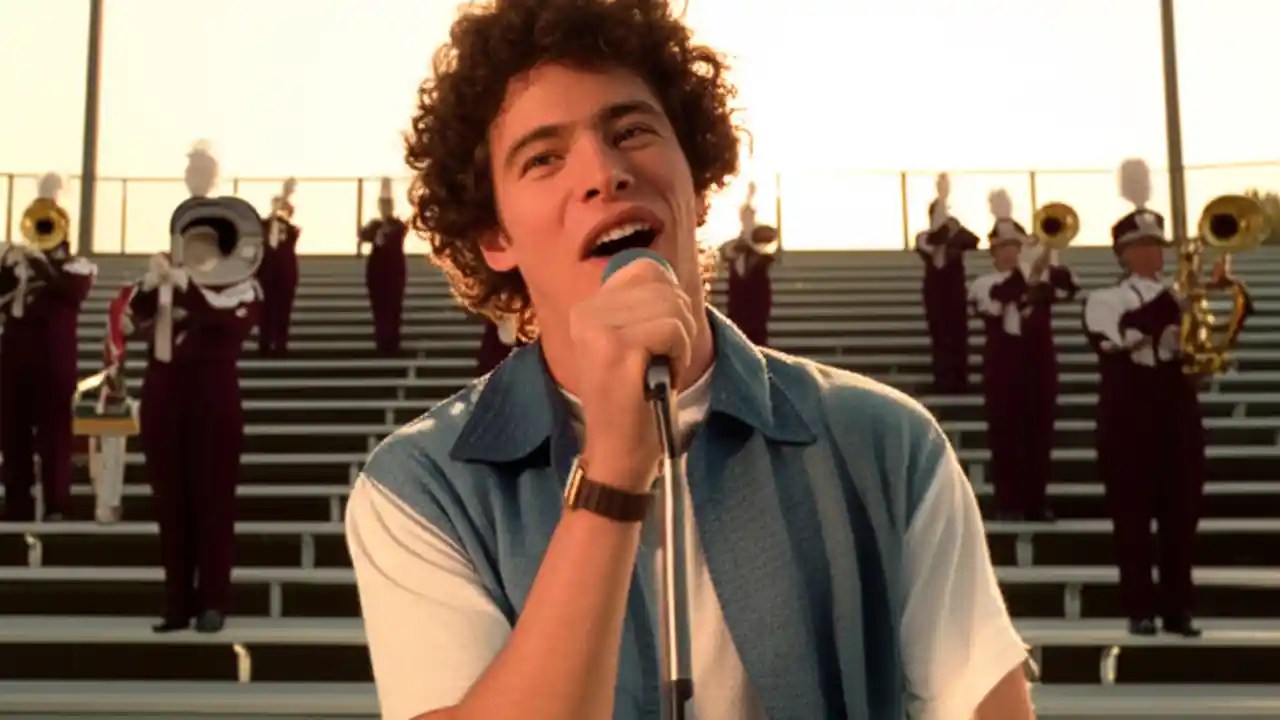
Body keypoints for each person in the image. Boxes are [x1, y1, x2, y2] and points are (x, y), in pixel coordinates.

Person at [344, 1, 1034, 718]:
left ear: (696, 178)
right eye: (544, 157)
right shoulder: (418, 486)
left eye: (632, 130)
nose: (605, 174)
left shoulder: (888, 443)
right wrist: (611, 473)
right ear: (495, 236)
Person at [1082, 158, 1243, 638]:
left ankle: (1179, 607)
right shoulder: (1106, 299)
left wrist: (1224, 307)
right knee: (1131, 517)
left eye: (1158, 245)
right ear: (1123, 254)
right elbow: (1119, 340)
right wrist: (1174, 301)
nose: (1155, 254)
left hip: (1176, 408)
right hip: (1128, 411)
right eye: (1143, 246)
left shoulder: (1180, 298)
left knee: (1181, 514)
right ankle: (1140, 609)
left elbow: (1200, 345)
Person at [125, 142, 263, 633]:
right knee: (171, 502)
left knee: (211, 500)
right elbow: (135, 322)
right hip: (163, 394)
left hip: (213, 398)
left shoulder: (241, 288)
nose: (194, 252)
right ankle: (177, 601)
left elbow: (227, 326)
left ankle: (214, 602)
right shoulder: (168, 282)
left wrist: (186, 287)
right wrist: (150, 286)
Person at [969, 190, 1078, 522]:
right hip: (1003, 368)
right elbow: (994, 302)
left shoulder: (1041, 276)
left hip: (1039, 365)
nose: (1011, 252)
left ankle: (1036, 502)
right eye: (1004, 246)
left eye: (1016, 245)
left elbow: (1068, 290)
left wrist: (1050, 257)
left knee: (1039, 437)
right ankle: (1008, 503)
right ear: (993, 252)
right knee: (1004, 437)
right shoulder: (984, 282)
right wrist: (1028, 271)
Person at [0, 173, 97, 521]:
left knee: (55, 433)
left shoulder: (77, 266)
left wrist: (39, 264)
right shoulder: (20, 266)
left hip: (54, 358)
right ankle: (17, 502)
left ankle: (58, 502)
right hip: (13, 357)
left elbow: (70, 291)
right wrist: (7, 266)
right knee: (12, 431)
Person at [719, 182, 777, 347]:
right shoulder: (735, 250)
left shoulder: (762, 255)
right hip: (737, 318)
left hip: (756, 321)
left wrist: (750, 198)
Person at [359, 177, 409, 355]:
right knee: (379, 309)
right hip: (377, 274)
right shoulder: (375, 225)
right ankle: (382, 342)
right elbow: (363, 235)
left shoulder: (397, 225)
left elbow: (397, 232)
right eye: (383, 204)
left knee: (394, 309)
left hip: (393, 273)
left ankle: (392, 343)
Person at [257, 178, 300, 356]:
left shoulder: (291, 230)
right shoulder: (263, 226)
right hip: (267, 275)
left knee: (283, 312)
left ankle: (280, 344)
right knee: (265, 312)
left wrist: (284, 201)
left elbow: (285, 236)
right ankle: (265, 343)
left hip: (285, 276)